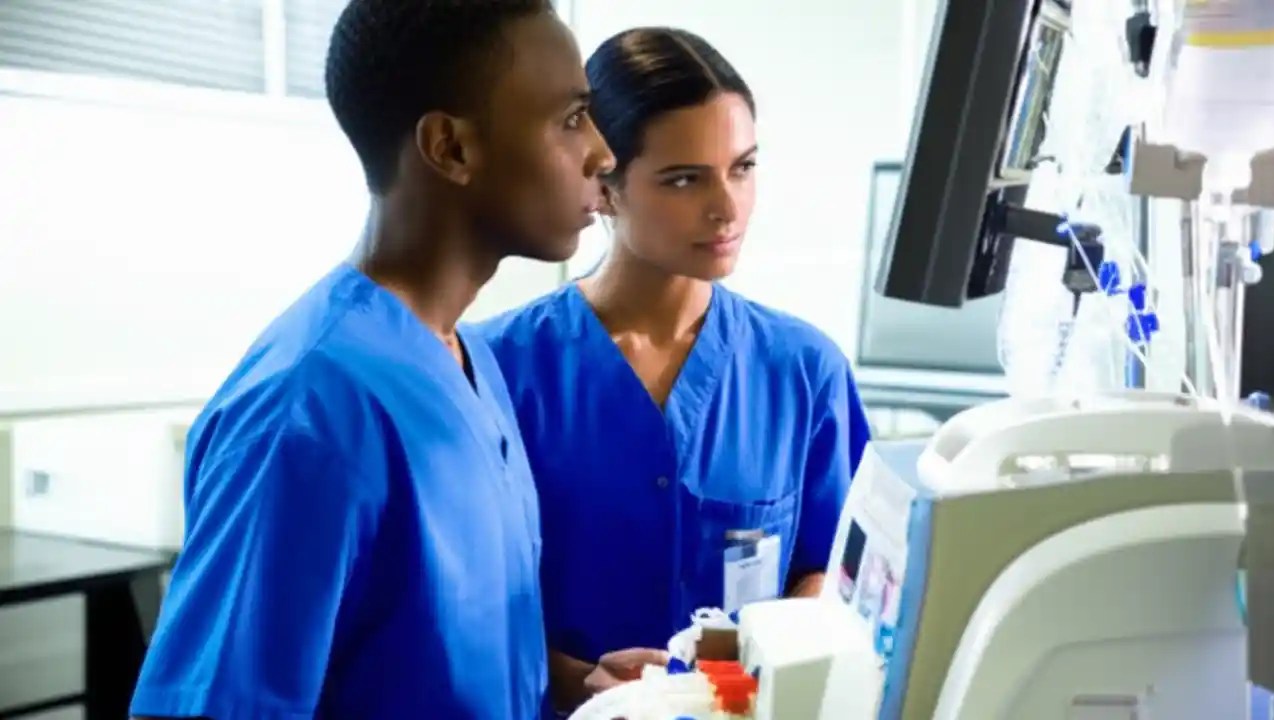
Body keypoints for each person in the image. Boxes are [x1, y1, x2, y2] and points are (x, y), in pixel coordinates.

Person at [128, 2, 615, 719]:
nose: (602, 152)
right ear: (450, 148)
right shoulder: (307, 410)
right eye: (570, 119)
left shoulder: (465, 358)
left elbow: (423, 650)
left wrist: (576, 686)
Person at [475, 26, 872, 712]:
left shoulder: (804, 371)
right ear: (604, 183)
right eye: (685, 179)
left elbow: (832, 566)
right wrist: (573, 680)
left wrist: (783, 647)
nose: (727, 207)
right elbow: (461, 604)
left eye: (743, 167)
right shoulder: (500, 373)